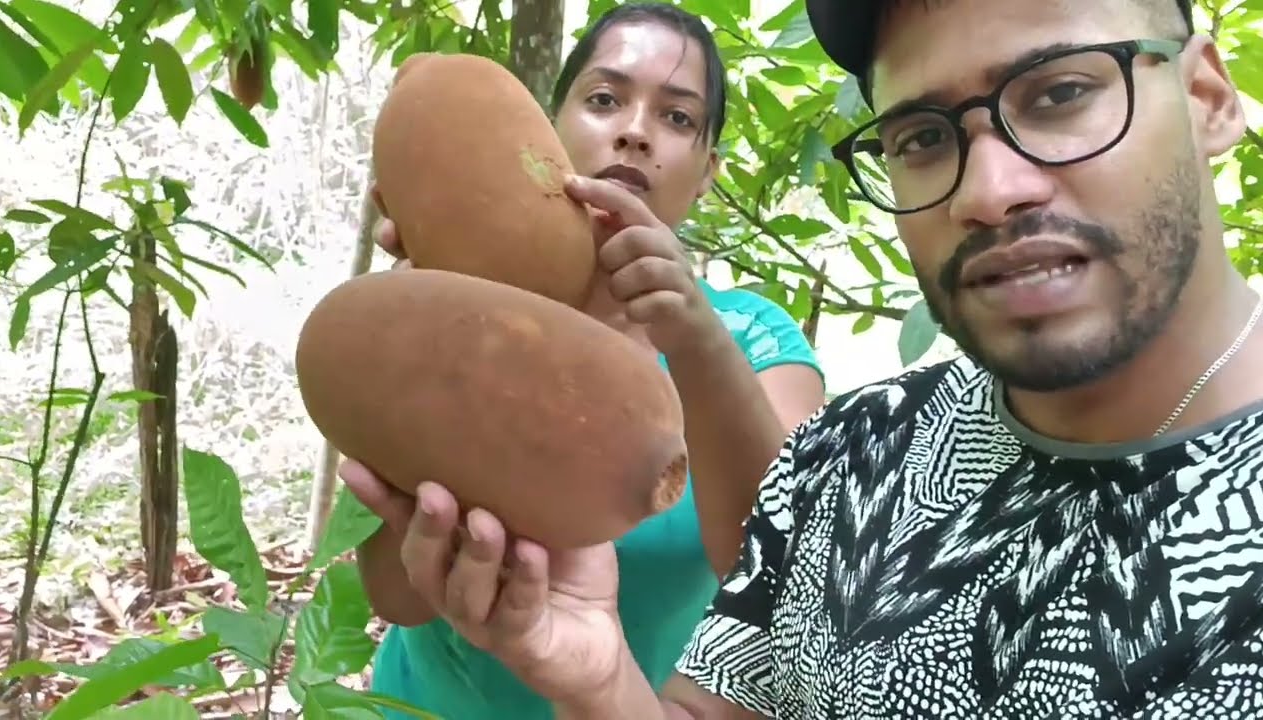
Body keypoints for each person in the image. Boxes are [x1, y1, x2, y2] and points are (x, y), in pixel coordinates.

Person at [359, 0, 1263, 716]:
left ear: (1208, 97)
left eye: (1061, 92)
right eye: (922, 136)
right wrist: (594, 685)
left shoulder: (755, 347)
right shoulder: (871, 446)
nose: (992, 190)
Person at [337, 4, 828, 718]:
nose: (634, 129)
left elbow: (785, 577)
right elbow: (395, 596)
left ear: (707, 173)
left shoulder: (755, 342)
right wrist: (426, 334)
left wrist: (691, 335)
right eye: (604, 99)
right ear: (548, 132)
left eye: (678, 118)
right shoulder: (469, 313)